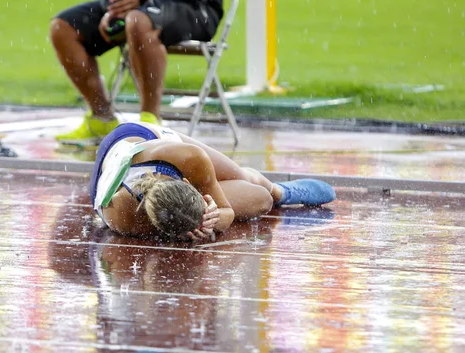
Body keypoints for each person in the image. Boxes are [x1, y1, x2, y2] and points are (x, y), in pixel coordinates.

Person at [90, 122, 336, 241]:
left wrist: (219, 215)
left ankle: (280, 190)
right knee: (261, 199)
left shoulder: (190, 158)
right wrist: (210, 225)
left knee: (244, 178)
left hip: (144, 138)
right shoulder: (125, 218)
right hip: (118, 176)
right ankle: (272, 193)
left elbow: (227, 210)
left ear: (187, 182)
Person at [49, 0, 224, 146]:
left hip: (195, 8)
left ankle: (150, 122)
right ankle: (101, 119)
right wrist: (114, 8)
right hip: (140, 7)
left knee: (138, 21)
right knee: (62, 28)